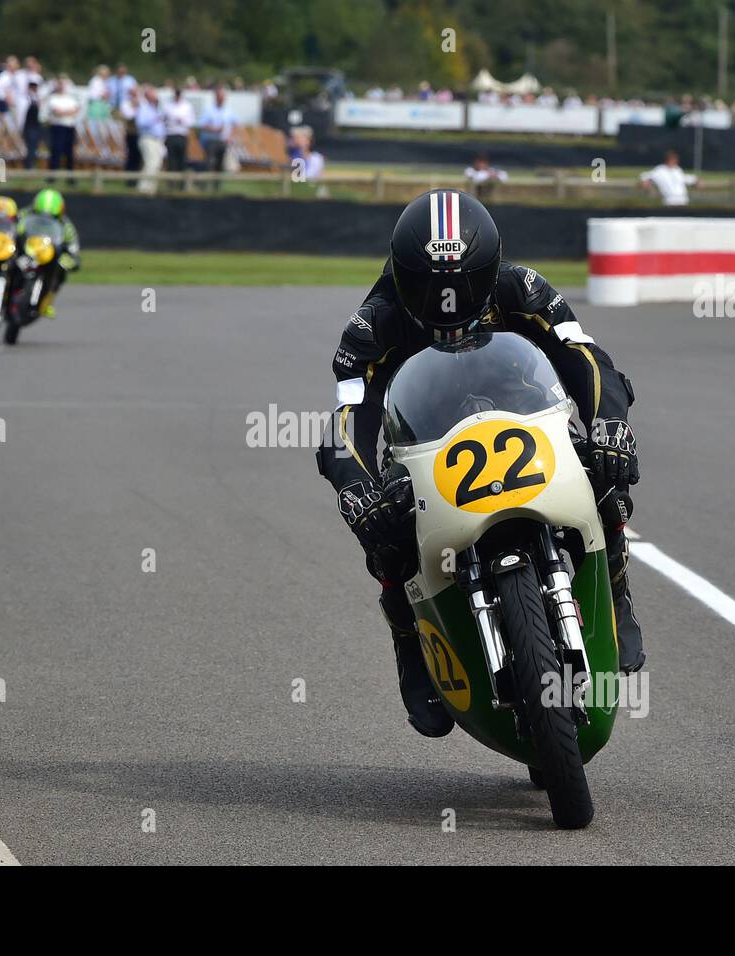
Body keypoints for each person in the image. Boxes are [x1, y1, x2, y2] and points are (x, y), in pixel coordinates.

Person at [315, 191, 642, 738]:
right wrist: (356, 488)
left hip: (524, 416)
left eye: (463, 288)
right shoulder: (371, 326)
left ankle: (617, 586)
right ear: (401, 274)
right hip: (424, 438)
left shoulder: (525, 289)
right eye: (428, 288)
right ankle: (410, 642)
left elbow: (586, 357)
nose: (446, 306)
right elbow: (348, 419)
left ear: (489, 271)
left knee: (608, 479)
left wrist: (611, 424)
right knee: (386, 536)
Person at [17, 189, 80, 320]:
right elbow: (11, 228)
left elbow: (73, 248)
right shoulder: (23, 214)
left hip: (49, 255)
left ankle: (47, 300)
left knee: (60, 272)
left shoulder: (66, 225)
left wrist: (71, 260)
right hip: (25, 250)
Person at [198, 86, 238, 189]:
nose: (221, 99)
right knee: (209, 163)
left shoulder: (228, 111)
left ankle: (217, 186)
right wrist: (214, 129)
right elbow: (202, 125)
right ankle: (205, 185)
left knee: (220, 164)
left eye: (223, 97)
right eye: (220, 97)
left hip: (223, 141)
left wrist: (230, 135)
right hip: (211, 141)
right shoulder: (209, 110)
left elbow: (235, 124)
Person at [45, 77, 79, 180]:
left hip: (69, 127)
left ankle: (70, 177)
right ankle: (52, 176)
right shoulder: (53, 98)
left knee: (69, 153)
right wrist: (67, 112)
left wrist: (64, 112)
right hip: (57, 127)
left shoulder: (71, 98)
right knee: (56, 151)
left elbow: (75, 110)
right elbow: (57, 111)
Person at [135, 85, 166, 194]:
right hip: (148, 138)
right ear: (148, 96)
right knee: (151, 163)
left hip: (157, 140)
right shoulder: (143, 108)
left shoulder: (156, 108)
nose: (156, 97)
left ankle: (151, 188)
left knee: (157, 163)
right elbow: (140, 123)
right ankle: (143, 188)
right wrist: (154, 119)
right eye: (154, 94)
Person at [162, 87, 195, 173]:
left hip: (182, 135)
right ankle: (171, 182)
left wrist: (183, 121)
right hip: (171, 134)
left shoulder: (187, 106)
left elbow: (191, 121)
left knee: (182, 159)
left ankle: (181, 183)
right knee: (171, 159)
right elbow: (163, 120)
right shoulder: (168, 106)